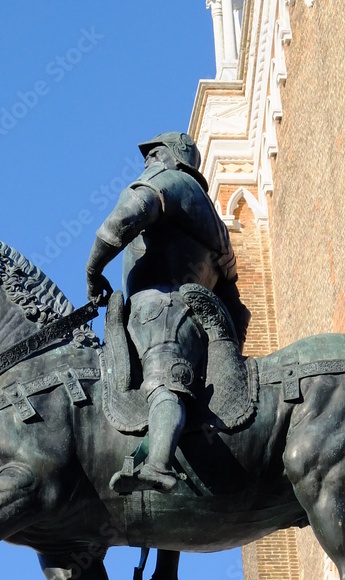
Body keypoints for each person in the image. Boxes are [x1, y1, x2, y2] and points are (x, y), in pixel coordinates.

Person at [86, 132, 237, 494]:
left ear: (174, 158)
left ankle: (158, 466)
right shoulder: (216, 225)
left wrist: (93, 270)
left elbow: (127, 215)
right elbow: (234, 301)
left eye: (155, 154)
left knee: (162, 380)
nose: (148, 162)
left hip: (163, 309)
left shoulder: (171, 182)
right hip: (185, 315)